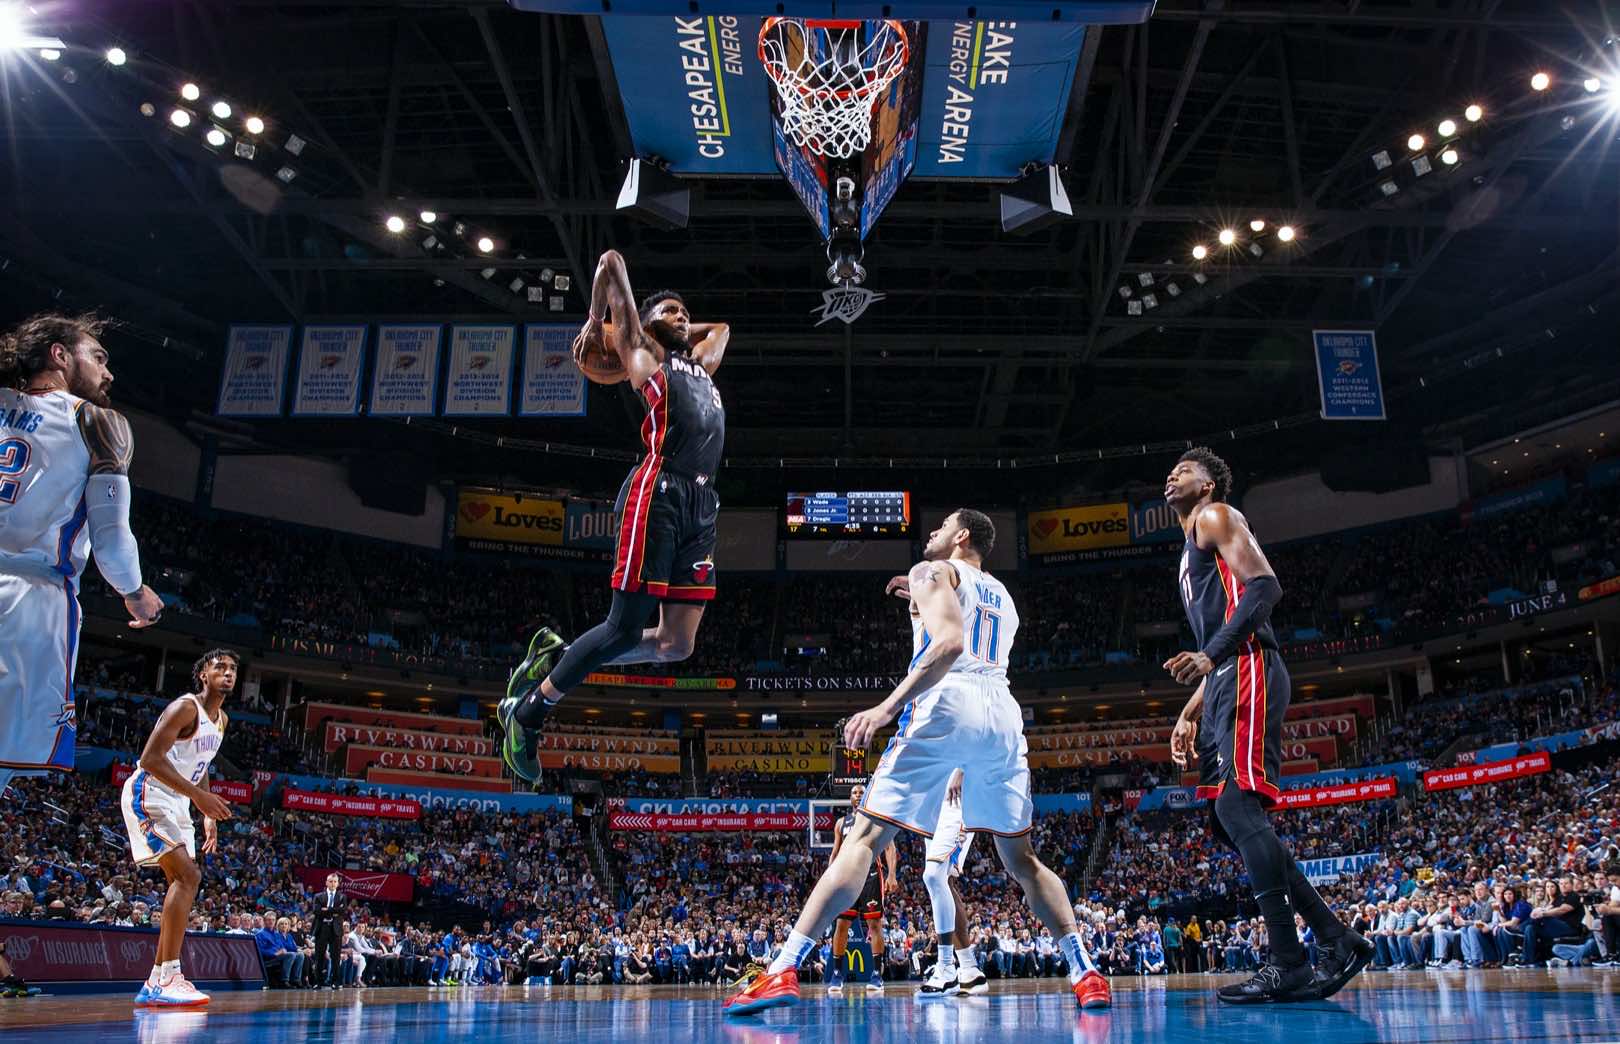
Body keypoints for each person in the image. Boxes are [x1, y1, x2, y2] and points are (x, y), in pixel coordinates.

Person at [722, 510, 1111, 1016]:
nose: (931, 533)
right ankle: (1084, 972)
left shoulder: (932, 571)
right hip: (1001, 712)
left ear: (962, 535)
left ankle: (781, 969)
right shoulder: (1003, 596)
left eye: (942, 526)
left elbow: (949, 644)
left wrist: (887, 707)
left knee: (863, 839)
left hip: (948, 702)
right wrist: (921, 601)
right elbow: (964, 620)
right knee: (1023, 861)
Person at [497, 251, 729, 782]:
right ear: (643, 325)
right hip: (659, 491)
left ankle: (558, 658)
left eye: (683, 311)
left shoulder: (699, 363)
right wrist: (602, 319)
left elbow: (723, 328)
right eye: (669, 310)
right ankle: (528, 712)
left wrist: (684, 325)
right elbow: (608, 262)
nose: (680, 316)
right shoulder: (642, 353)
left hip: (702, 503)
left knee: (676, 645)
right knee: (623, 630)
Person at [1163, 448, 1372, 1003]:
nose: (1172, 475)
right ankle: (1334, 936)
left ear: (1208, 486)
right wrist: (1189, 712)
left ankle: (1289, 961)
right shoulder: (1190, 548)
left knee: (1236, 808)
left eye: (1185, 470)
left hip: (1248, 667)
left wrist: (1209, 657)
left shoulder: (1217, 516)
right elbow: (1225, 626)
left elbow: (1264, 589)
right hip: (1229, 674)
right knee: (1226, 818)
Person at [0, 313, 164, 799]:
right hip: (29, 600)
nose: (107, 372)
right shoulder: (96, 422)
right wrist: (134, 593)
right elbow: (112, 536)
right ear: (59, 354)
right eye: (98, 357)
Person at [117, 649, 238, 1007]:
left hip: (180, 800)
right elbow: (149, 759)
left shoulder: (222, 720)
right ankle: (167, 974)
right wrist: (199, 797)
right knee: (188, 876)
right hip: (149, 791)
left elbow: (202, 766)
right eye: (220, 667)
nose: (228, 673)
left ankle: (158, 978)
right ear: (203, 674)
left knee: (184, 882)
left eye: (233, 669)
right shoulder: (185, 708)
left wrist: (207, 814)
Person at [916, 768, 987, 997]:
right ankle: (969, 969)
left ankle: (946, 966)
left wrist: (962, 769)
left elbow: (973, 734)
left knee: (934, 875)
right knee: (944, 880)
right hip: (934, 797)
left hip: (957, 794)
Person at [825, 782, 898, 995]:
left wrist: (892, 874)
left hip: (871, 875)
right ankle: (837, 974)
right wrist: (830, 877)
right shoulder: (841, 823)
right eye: (854, 793)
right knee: (841, 925)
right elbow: (835, 852)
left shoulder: (878, 820)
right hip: (847, 877)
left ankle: (877, 975)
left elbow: (890, 848)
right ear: (850, 798)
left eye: (861, 792)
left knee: (874, 924)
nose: (858, 795)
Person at [311, 873, 345, 988]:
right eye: (330, 881)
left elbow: (342, 911)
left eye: (335, 881)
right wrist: (334, 911)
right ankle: (317, 982)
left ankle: (335, 982)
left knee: (336, 957)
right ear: (326, 882)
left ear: (338, 883)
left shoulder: (342, 897)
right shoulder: (318, 896)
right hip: (322, 928)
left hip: (336, 929)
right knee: (319, 957)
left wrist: (327, 909)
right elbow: (317, 911)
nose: (333, 883)